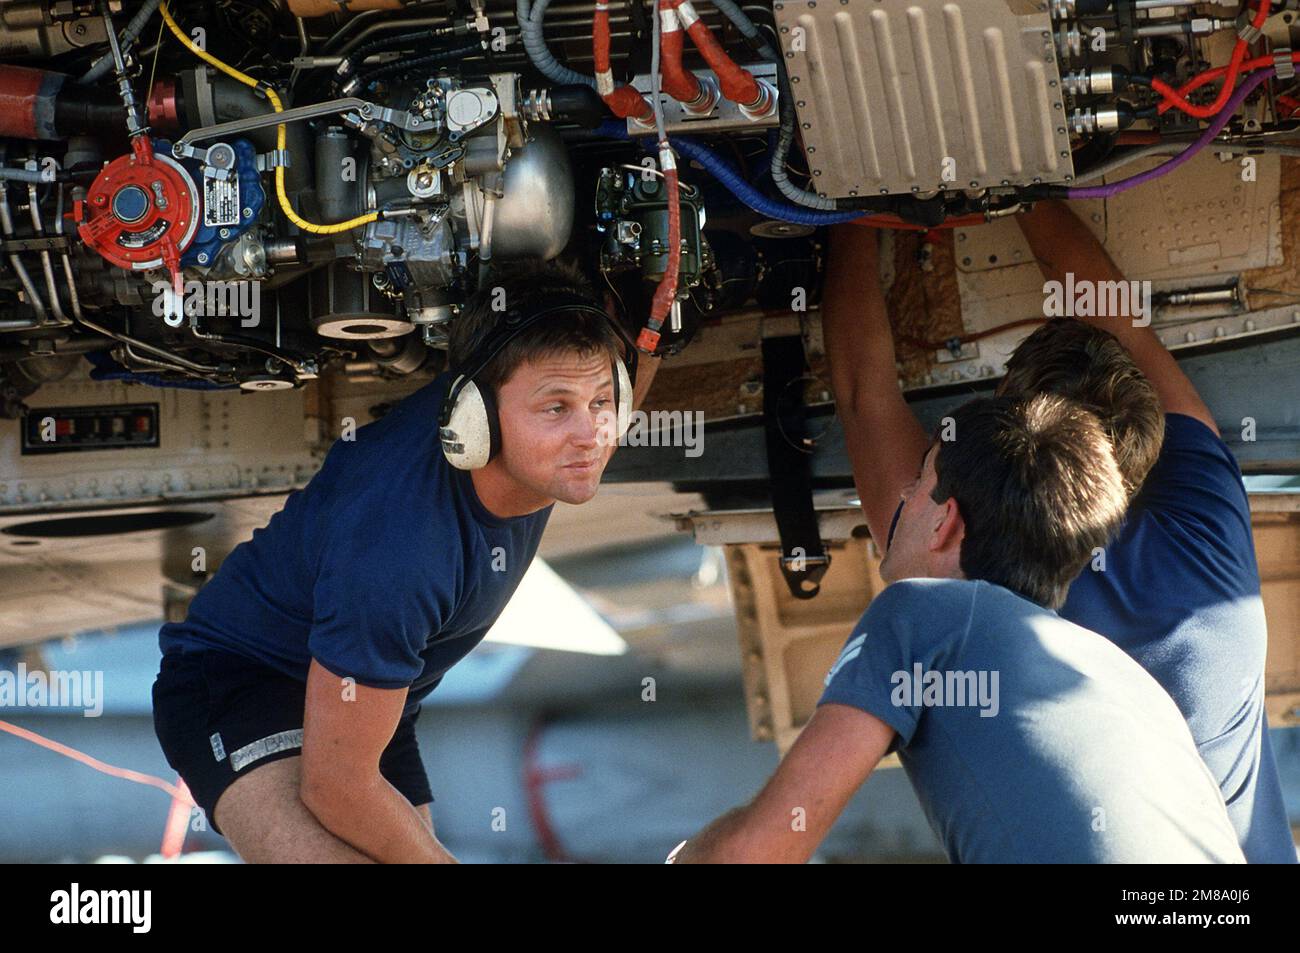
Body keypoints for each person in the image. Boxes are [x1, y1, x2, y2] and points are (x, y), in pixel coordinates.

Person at [152, 259, 658, 862]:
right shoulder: (401, 551)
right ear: (477, 422)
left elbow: (616, 375)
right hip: (244, 684)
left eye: (605, 401)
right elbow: (337, 787)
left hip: (372, 696)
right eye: (555, 408)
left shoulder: (545, 446)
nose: (592, 434)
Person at [672, 393, 1243, 863]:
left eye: (918, 483)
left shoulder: (922, 612)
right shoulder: (1128, 678)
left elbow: (752, 855)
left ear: (945, 522)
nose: (902, 494)